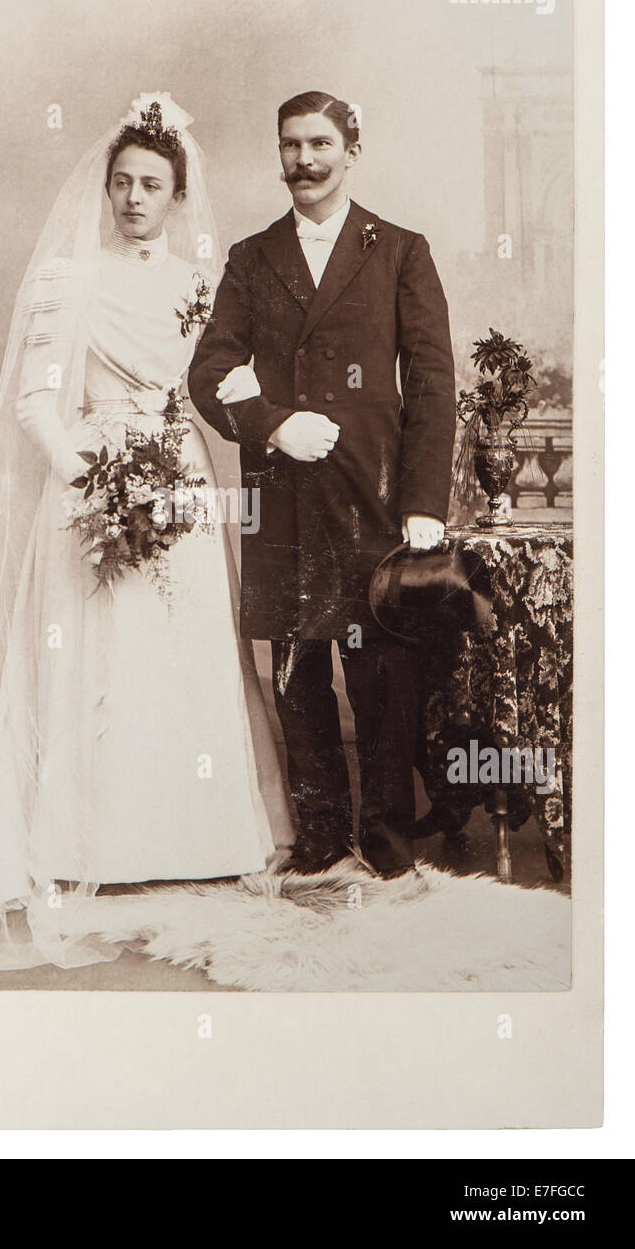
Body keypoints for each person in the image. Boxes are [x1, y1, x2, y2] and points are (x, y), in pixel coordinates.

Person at [0, 93, 293, 973]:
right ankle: (90, 848)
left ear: (176, 193)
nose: (132, 199)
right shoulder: (68, 279)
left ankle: (196, 841)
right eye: (121, 183)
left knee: (184, 656)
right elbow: (36, 403)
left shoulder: (202, 282)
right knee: (100, 663)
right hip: (95, 491)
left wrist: (194, 450)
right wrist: (98, 476)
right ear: (106, 189)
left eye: (151, 185)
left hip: (184, 486)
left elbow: (215, 386)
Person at [188, 90, 456, 878]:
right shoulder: (250, 256)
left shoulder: (400, 250)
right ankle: (316, 846)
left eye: (318, 144)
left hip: (374, 495)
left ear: (351, 150)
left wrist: (422, 501)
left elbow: (433, 382)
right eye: (289, 147)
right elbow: (207, 372)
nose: (302, 162)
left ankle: (385, 848)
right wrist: (272, 422)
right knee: (298, 676)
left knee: (379, 674)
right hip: (284, 494)